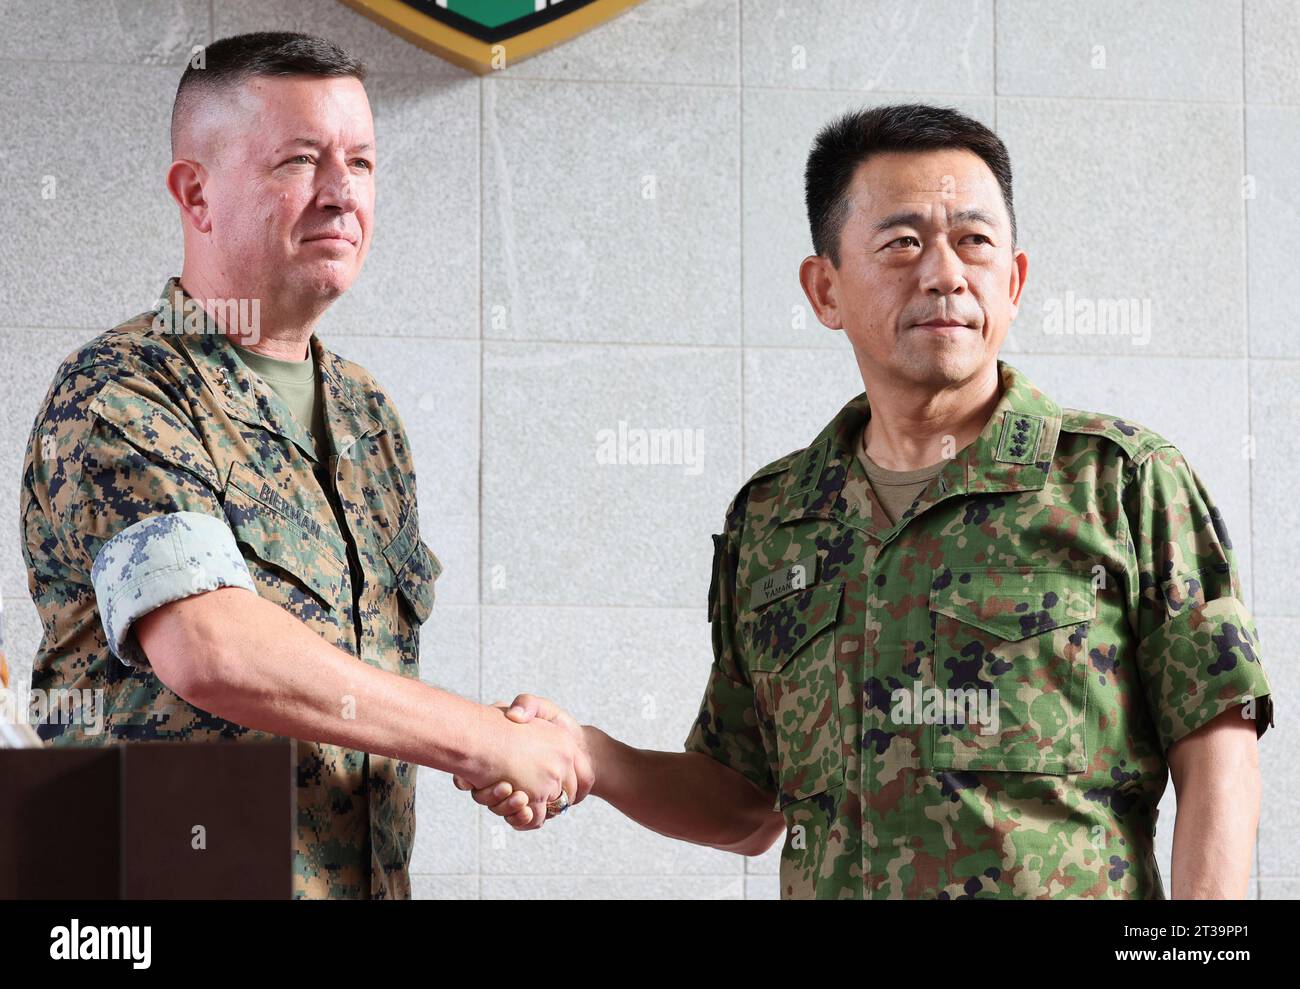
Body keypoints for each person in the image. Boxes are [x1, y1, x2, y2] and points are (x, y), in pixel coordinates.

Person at [458, 103, 1274, 900]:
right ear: (826, 290)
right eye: (903, 243)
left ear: (1015, 281)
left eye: (974, 241)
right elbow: (743, 801)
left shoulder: (1122, 482)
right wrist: (593, 758)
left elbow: (1219, 751)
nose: (945, 274)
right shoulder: (775, 518)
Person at [19, 31, 590, 900]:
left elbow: (354, 695)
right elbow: (212, 647)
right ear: (196, 193)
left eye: (360, 161)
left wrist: (509, 753)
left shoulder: (367, 414)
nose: (341, 192)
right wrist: (481, 739)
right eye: (298, 160)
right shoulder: (120, 390)